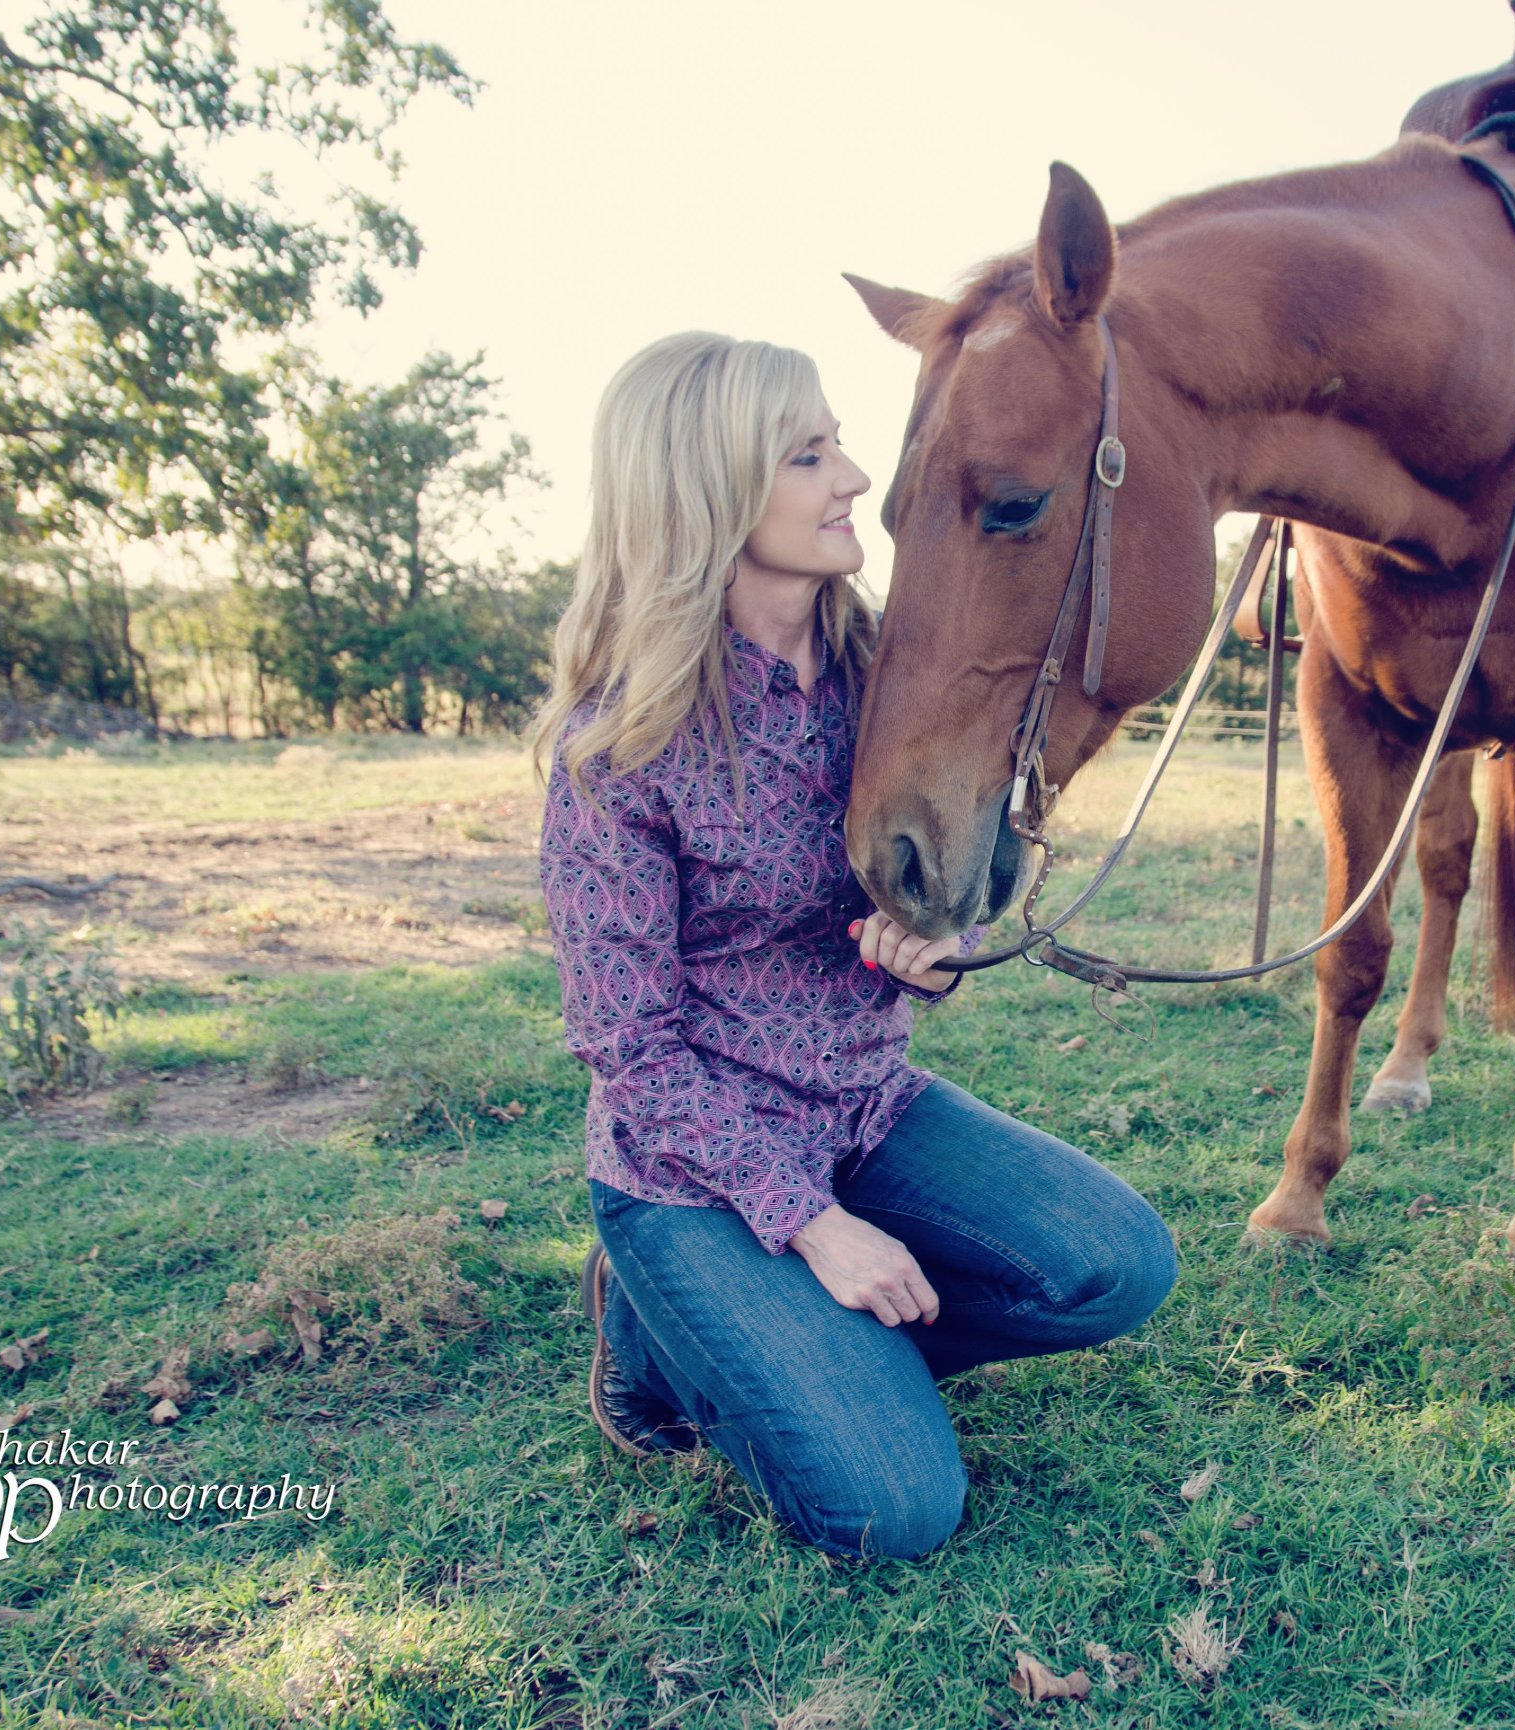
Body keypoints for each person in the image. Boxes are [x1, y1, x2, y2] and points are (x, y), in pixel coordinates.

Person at [529, 331, 1178, 1561]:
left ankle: (808, 1352)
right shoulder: (616, 749)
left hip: (868, 1107)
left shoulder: (890, 666)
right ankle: (661, 1335)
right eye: (809, 453)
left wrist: (938, 943)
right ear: (710, 487)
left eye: (838, 443)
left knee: (1116, 1265)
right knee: (892, 1507)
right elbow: (629, 1051)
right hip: (694, 1164)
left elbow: (966, 854)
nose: (853, 480)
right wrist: (812, 1226)